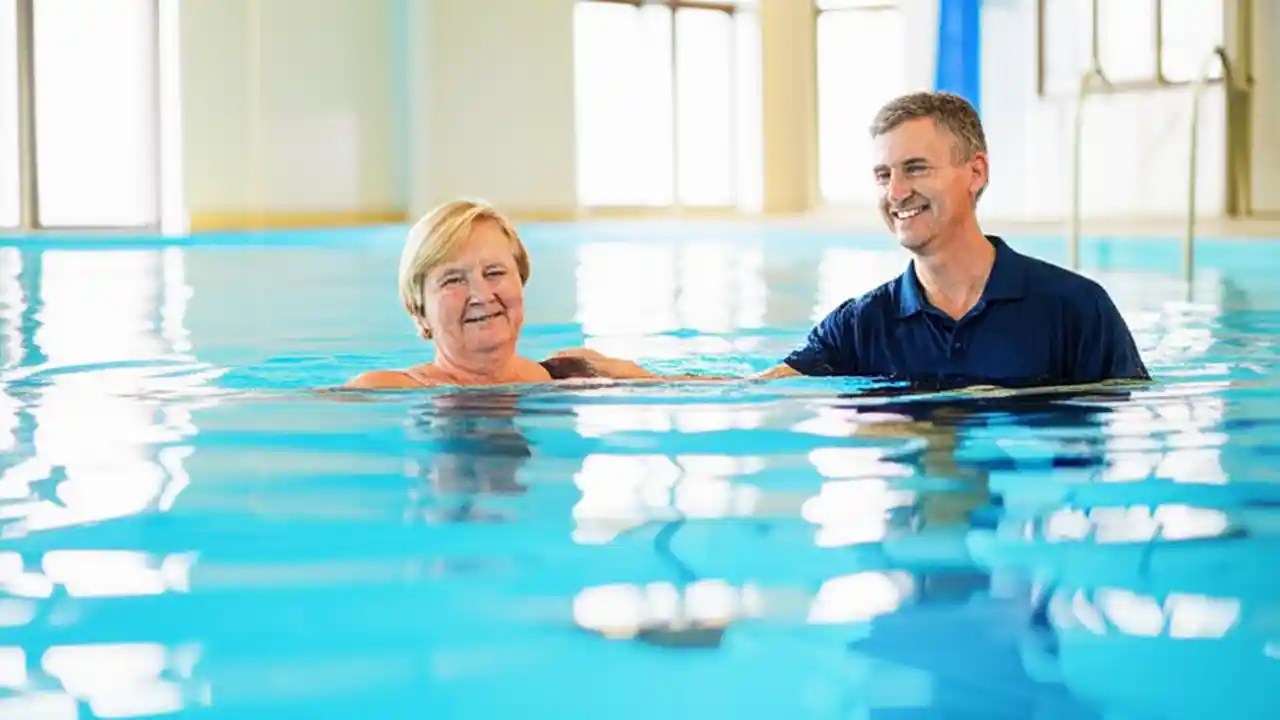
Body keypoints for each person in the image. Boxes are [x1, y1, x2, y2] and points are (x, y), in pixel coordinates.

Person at [565, 91, 1150, 389]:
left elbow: (1130, 429)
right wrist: (631, 374)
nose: (896, 192)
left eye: (915, 168)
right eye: (882, 175)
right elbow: (759, 391)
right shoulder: (863, 325)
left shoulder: (1074, 308)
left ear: (976, 172)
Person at [343, 199, 619, 389]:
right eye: (453, 280)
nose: (482, 295)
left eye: (495, 273)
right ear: (419, 311)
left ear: (520, 282)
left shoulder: (577, 373)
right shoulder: (384, 390)